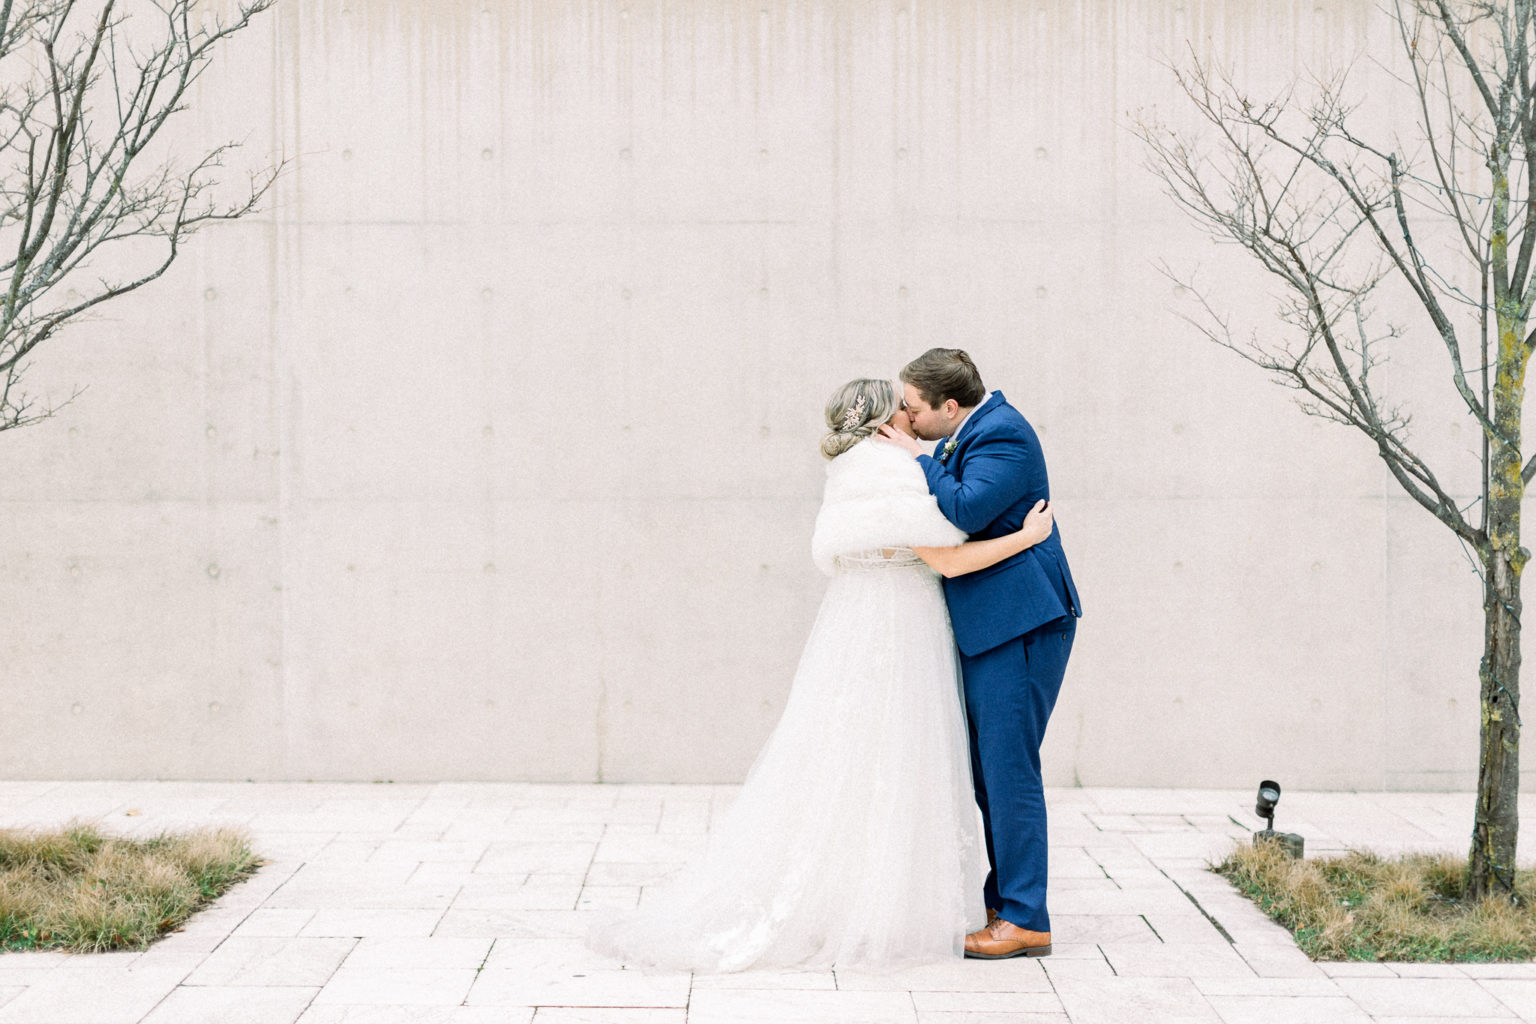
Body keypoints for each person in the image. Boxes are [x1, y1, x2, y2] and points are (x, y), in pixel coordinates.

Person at [586, 378, 1057, 972]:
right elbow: (948, 555)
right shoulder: (894, 469)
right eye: (905, 407)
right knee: (894, 759)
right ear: (888, 421)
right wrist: (1026, 537)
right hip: (899, 623)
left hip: (859, 619)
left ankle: (852, 894)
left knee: (849, 755)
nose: (913, 414)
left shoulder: (850, 467)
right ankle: (877, 905)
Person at [878, 349, 1081, 960]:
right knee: (989, 771)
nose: (907, 420)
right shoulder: (973, 432)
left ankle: (1025, 918)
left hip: (1021, 622)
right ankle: (1007, 901)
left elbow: (965, 508)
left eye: (913, 409)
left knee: (1008, 771)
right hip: (995, 623)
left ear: (950, 406)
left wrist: (916, 458)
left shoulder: (1005, 435)